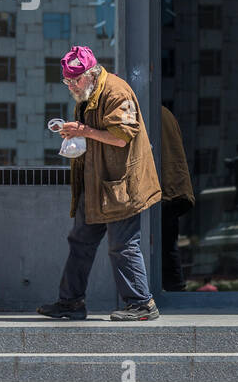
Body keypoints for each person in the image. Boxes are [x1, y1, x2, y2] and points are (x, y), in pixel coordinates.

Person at [37, 46, 162, 321]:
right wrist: (74, 136)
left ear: (92, 74)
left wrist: (82, 131)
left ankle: (142, 303)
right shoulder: (86, 93)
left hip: (122, 186)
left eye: (75, 80)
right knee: (80, 241)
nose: (70, 86)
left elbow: (121, 136)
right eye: (66, 81)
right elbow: (95, 136)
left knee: (123, 244)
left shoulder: (116, 92)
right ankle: (70, 302)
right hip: (95, 183)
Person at [159, 105, 195, 292]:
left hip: (162, 188)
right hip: (172, 188)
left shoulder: (147, 113)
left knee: (162, 244)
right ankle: (175, 289)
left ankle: (172, 290)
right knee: (168, 244)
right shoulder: (165, 114)